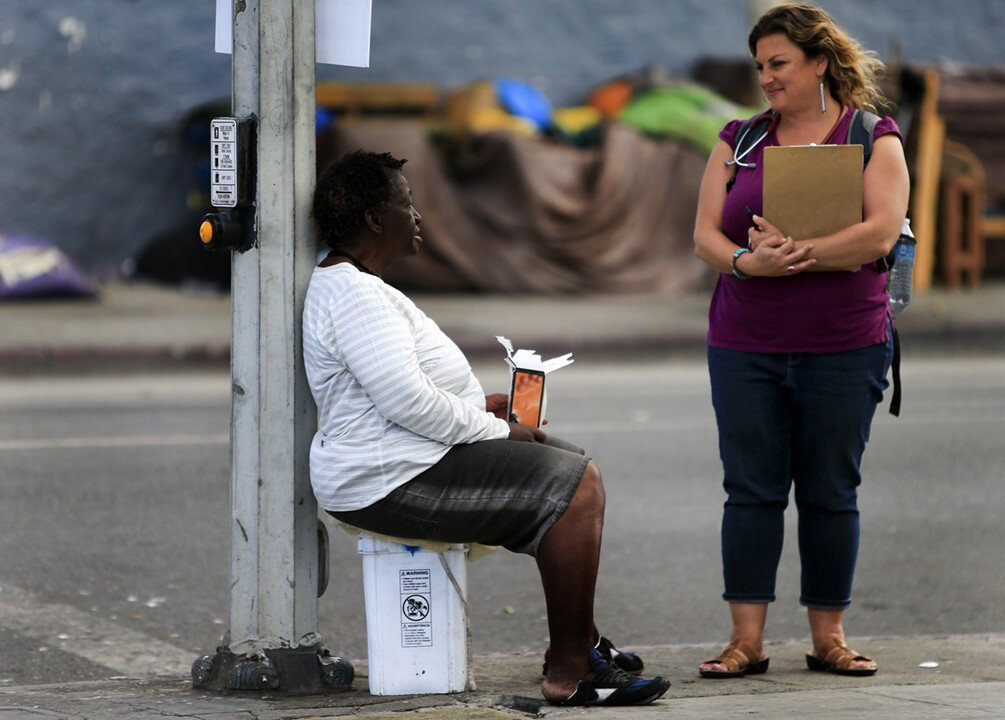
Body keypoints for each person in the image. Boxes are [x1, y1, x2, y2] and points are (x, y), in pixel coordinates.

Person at [302, 150, 670, 706]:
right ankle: (572, 671)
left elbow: (395, 390)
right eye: (407, 203)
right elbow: (403, 399)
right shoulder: (356, 295)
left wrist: (478, 406)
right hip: (386, 477)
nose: (418, 215)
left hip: (401, 460)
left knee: (568, 465)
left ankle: (581, 643)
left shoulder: (356, 286)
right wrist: (491, 430)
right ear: (376, 219)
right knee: (576, 485)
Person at [692, 3, 909, 678]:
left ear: (818, 62)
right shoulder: (741, 138)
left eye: (778, 63)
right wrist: (743, 263)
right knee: (749, 490)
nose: (766, 78)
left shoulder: (873, 136)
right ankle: (745, 641)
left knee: (828, 492)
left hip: (844, 343)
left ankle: (828, 638)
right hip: (743, 341)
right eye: (759, 66)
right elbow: (703, 235)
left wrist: (797, 253)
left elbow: (879, 234)